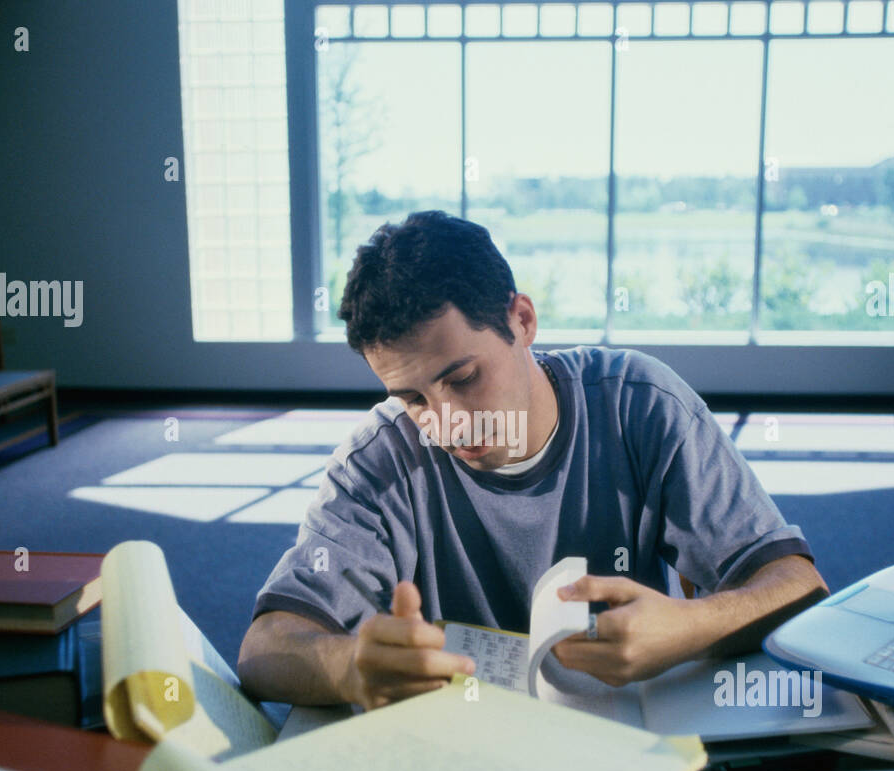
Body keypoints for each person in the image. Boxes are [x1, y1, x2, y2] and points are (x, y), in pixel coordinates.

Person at [237, 210, 829, 711]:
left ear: (521, 321)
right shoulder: (377, 462)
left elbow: (799, 587)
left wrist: (689, 628)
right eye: (413, 399)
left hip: (631, 739)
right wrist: (347, 667)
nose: (447, 423)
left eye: (463, 379)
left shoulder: (640, 404)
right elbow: (264, 648)